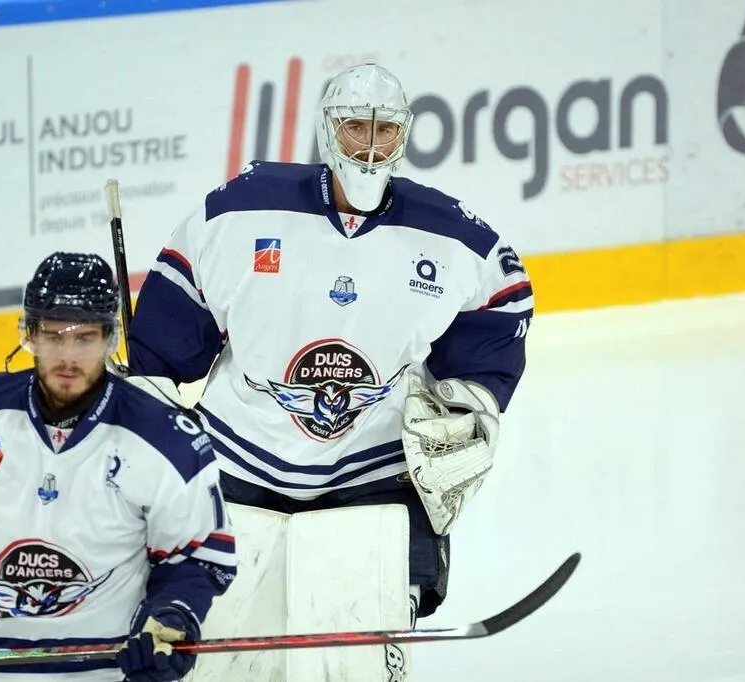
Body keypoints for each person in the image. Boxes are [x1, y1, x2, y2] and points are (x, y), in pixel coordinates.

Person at [128, 61, 532, 676]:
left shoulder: (451, 236)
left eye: (384, 132)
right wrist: (149, 397)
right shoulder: (242, 212)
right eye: (353, 129)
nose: (369, 148)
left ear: (405, 137)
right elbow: (176, 304)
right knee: (223, 663)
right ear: (326, 130)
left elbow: (503, 300)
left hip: (371, 473)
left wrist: (471, 399)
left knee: (352, 669)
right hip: (239, 461)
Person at [0, 252, 236, 682]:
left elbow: (196, 555)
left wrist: (172, 615)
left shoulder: (166, 440)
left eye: (84, 338)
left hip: (102, 671)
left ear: (109, 339)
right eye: (53, 336)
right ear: (29, 334)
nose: (68, 358)